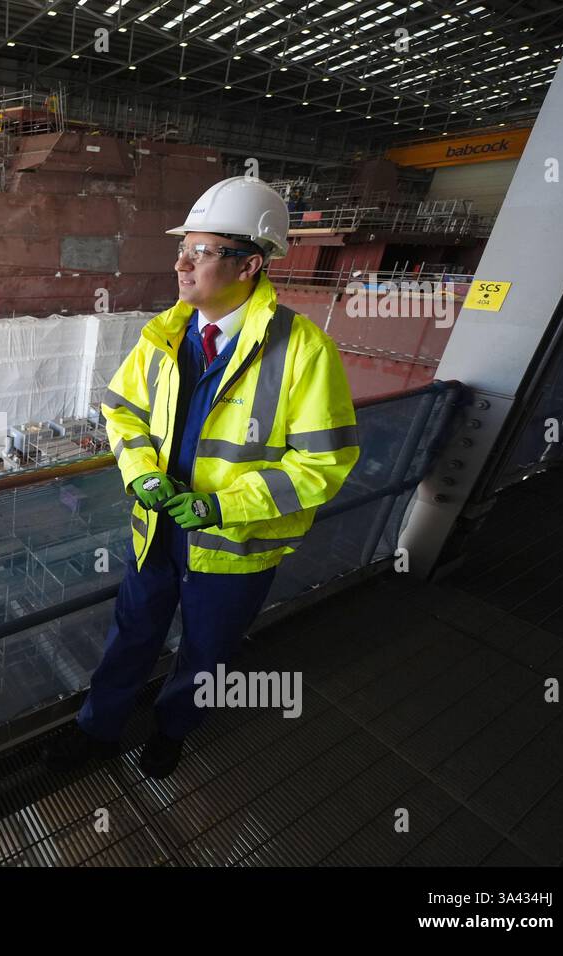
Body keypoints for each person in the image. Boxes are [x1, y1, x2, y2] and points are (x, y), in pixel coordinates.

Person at [42, 176, 360, 779]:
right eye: (182, 250)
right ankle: (98, 730)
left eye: (202, 251)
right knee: (130, 636)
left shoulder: (304, 350)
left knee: (208, 654)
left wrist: (224, 507)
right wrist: (140, 476)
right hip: (157, 532)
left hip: (234, 549)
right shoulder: (164, 335)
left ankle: (172, 731)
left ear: (251, 265)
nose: (181, 264)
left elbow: (324, 462)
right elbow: (121, 413)